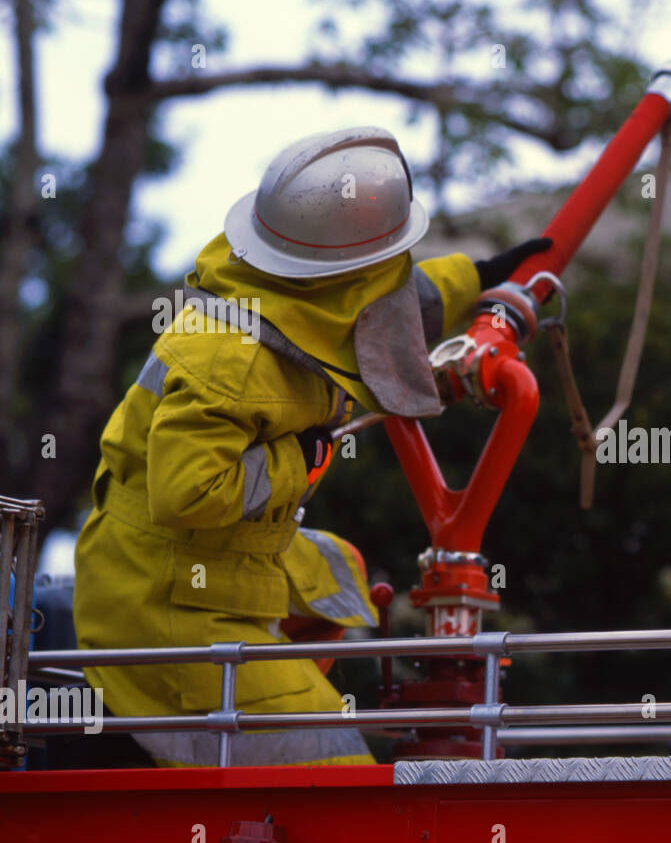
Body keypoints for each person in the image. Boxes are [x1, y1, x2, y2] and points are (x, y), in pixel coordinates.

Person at [72, 126, 550, 767]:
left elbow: (384, 308)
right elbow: (187, 491)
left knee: (340, 571)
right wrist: (301, 457)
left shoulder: (292, 288)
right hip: (162, 609)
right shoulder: (228, 359)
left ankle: (289, 680)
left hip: (206, 564)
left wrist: (481, 277)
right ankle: (278, 722)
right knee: (338, 775)